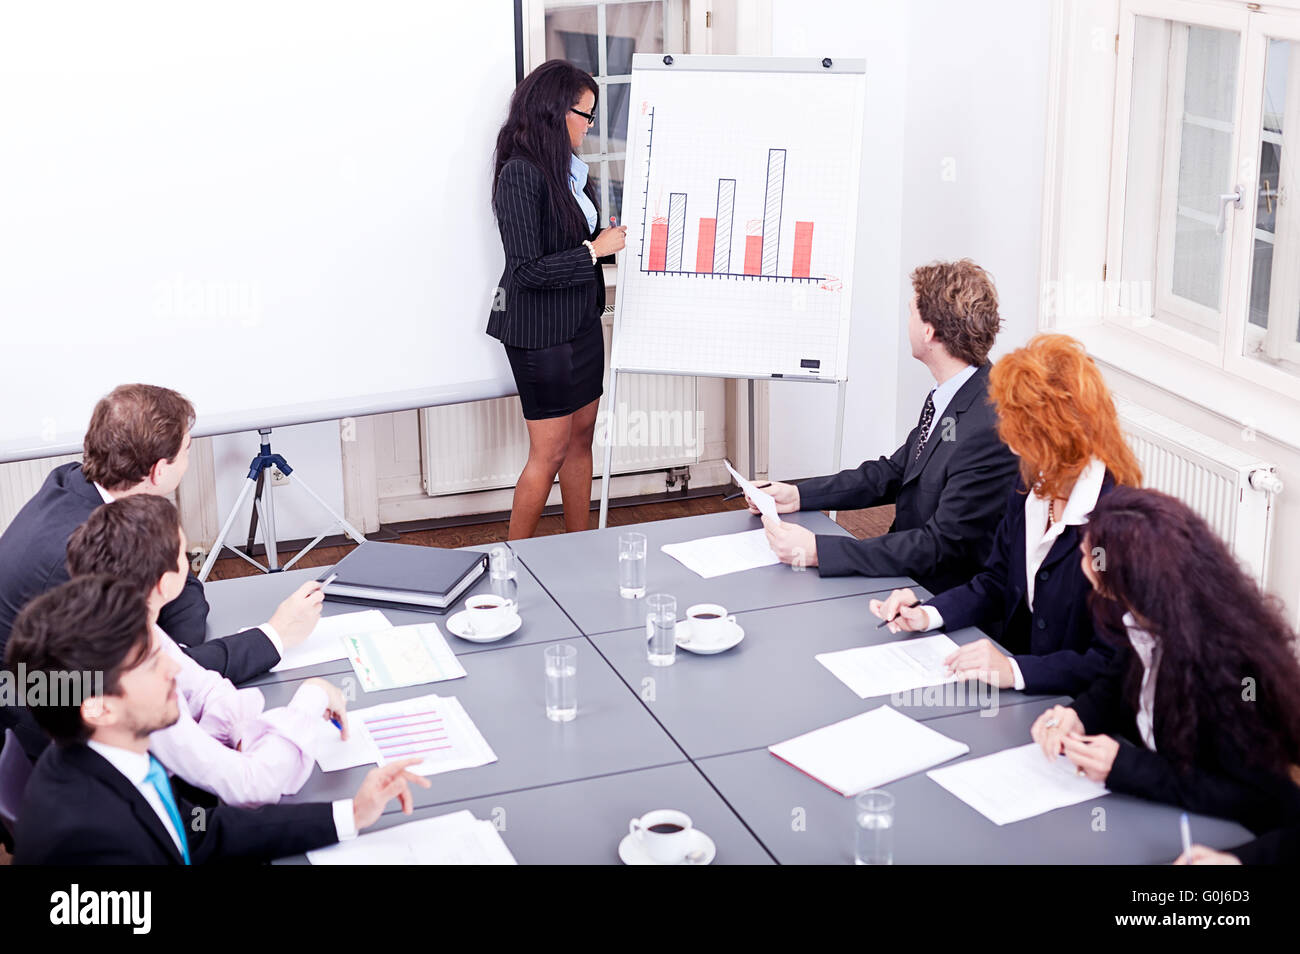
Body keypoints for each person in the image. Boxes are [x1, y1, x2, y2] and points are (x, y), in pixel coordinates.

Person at [0, 384, 324, 760]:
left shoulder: (85, 484)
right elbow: (138, 679)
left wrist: (179, 651)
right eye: (187, 451)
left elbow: (182, 584)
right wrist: (275, 635)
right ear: (158, 470)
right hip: (55, 724)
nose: (188, 460)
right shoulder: (81, 554)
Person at [9, 576, 430, 865]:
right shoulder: (89, 843)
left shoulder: (113, 755)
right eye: (151, 665)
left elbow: (200, 833)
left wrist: (351, 814)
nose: (175, 670)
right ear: (99, 707)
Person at [870, 334, 1142, 695]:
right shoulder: (1030, 485)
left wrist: (1014, 670)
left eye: (1019, 426)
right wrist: (928, 614)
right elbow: (996, 581)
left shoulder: (1119, 524)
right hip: (1018, 695)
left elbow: (1110, 661)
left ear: (1055, 434)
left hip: (1077, 714)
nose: (1007, 437)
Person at [1031, 486, 1300, 836]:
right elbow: (1114, 689)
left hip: (1223, 840)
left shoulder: (1230, 667)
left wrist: (1126, 767)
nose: (1083, 555)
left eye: (1090, 553)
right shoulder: (1147, 617)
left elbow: (1256, 797)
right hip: (1159, 820)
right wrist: (1077, 716)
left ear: (1131, 578)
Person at [749, 259, 1019, 595]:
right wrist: (799, 494)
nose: (907, 321)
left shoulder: (988, 428)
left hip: (938, 595)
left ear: (928, 331)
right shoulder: (955, 392)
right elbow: (893, 472)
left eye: (911, 312)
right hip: (906, 571)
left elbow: (940, 546)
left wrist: (820, 550)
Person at [63, 495, 341, 806]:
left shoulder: (135, 626)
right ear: (165, 584)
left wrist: (245, 733)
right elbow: (252, 785)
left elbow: (205, 688)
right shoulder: (138, 691)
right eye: (183, 554)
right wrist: (310, 699)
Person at [488, 59, 627, 540]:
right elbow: (526, 270)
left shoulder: (570, 171)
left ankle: (579, 546)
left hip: (581, 322)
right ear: (553, 111)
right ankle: (513, 561)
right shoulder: (519, 174)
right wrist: (594, 249)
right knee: (547, 453)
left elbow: (575, 242)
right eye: (584, 115)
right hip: (539, 333)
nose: (590, 126)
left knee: (582, 439)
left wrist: (598, 241)